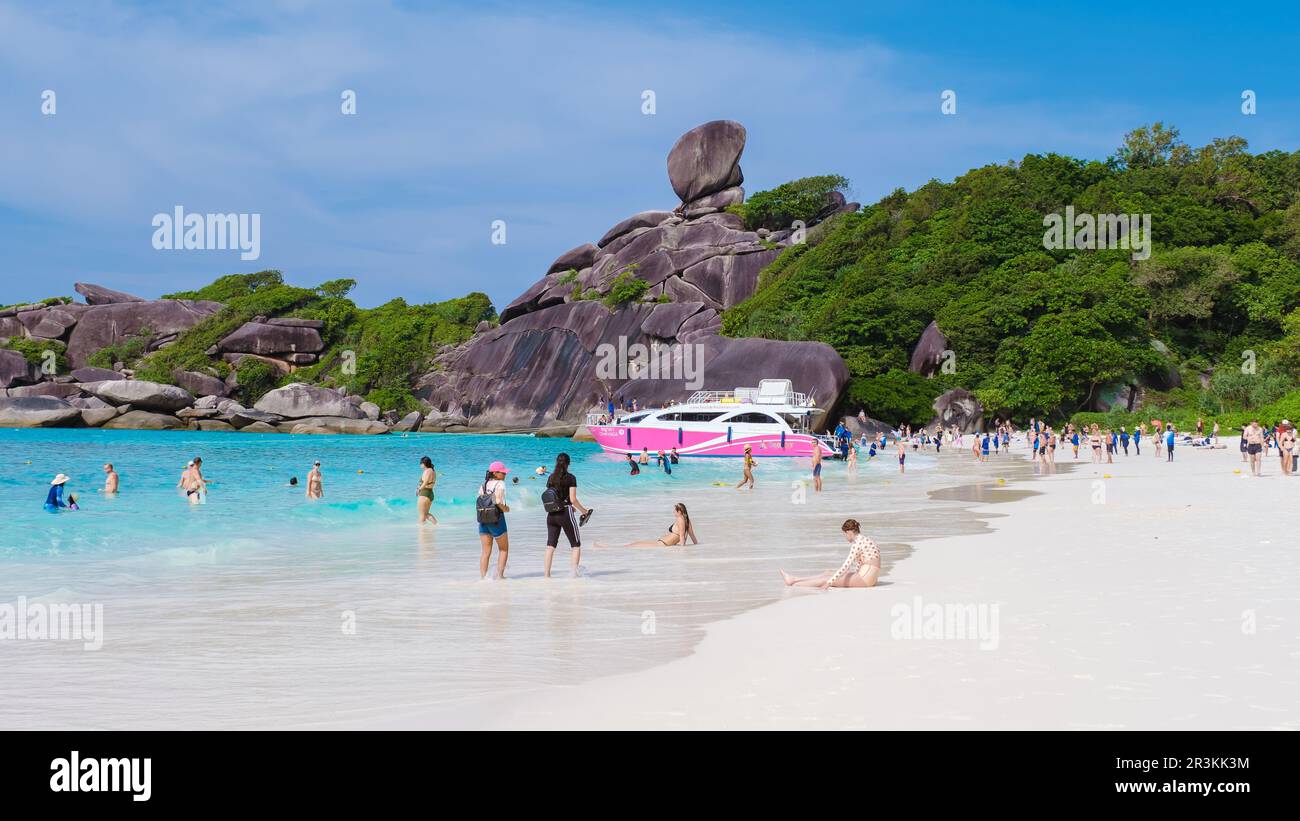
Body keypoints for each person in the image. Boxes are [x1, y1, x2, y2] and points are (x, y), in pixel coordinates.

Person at [779, 519, 881, 589]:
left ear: (849, 532)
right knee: (828, 572)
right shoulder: (866, 540)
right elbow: (861, 563)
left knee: (827, 579)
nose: (845, 537)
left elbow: (845, 566)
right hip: (869, 577)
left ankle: (796, 586)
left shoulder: (857, 543)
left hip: (865, 579)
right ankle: (794, 579)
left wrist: (829, 583)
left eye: (845, 534)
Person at [543, 452, 591, 578]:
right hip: (565, 513)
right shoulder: (571, 478)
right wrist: (583, 511)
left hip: (551, 514)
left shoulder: (551, 478)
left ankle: (546, 576)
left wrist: (570, 507)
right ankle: (574, 574)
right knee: (576, 545)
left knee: (550, 546)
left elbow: (552, 496)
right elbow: (573, 499)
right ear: (568, 463)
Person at [606, 503, 699, 547]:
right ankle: (609, 547)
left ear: (679, 511)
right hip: (663, 543)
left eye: (674, 510)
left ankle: (607, 548)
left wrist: (683, 550)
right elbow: (692, 536)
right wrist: (697, 547)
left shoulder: (680, 519)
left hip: (663, 544)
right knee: (634, 544)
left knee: (633, 545)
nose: (673, 512)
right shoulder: (687, 519)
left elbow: (682, 536)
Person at [478, 461, 511, 579]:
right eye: (503, 473)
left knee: (485, 552)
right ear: (495, 473)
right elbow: (497, 501)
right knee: (504, 549)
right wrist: (506, 509)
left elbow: (479, 500)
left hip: (483, 519)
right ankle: (500, 576)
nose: (505, 475)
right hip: (496, 519)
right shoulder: (500, 484)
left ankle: (483, 578)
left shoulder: (483, 485)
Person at [417, 456, 437, 525]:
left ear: (424, 464)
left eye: (420, 463)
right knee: (426, 514)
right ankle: (437, 525)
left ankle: (421, 530)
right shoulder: (433, 471)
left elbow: (425, 482)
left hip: (424, 493)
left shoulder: (427, 471)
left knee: (422, 514)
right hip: (430, 493)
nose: (420, 465)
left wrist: (419, 490)